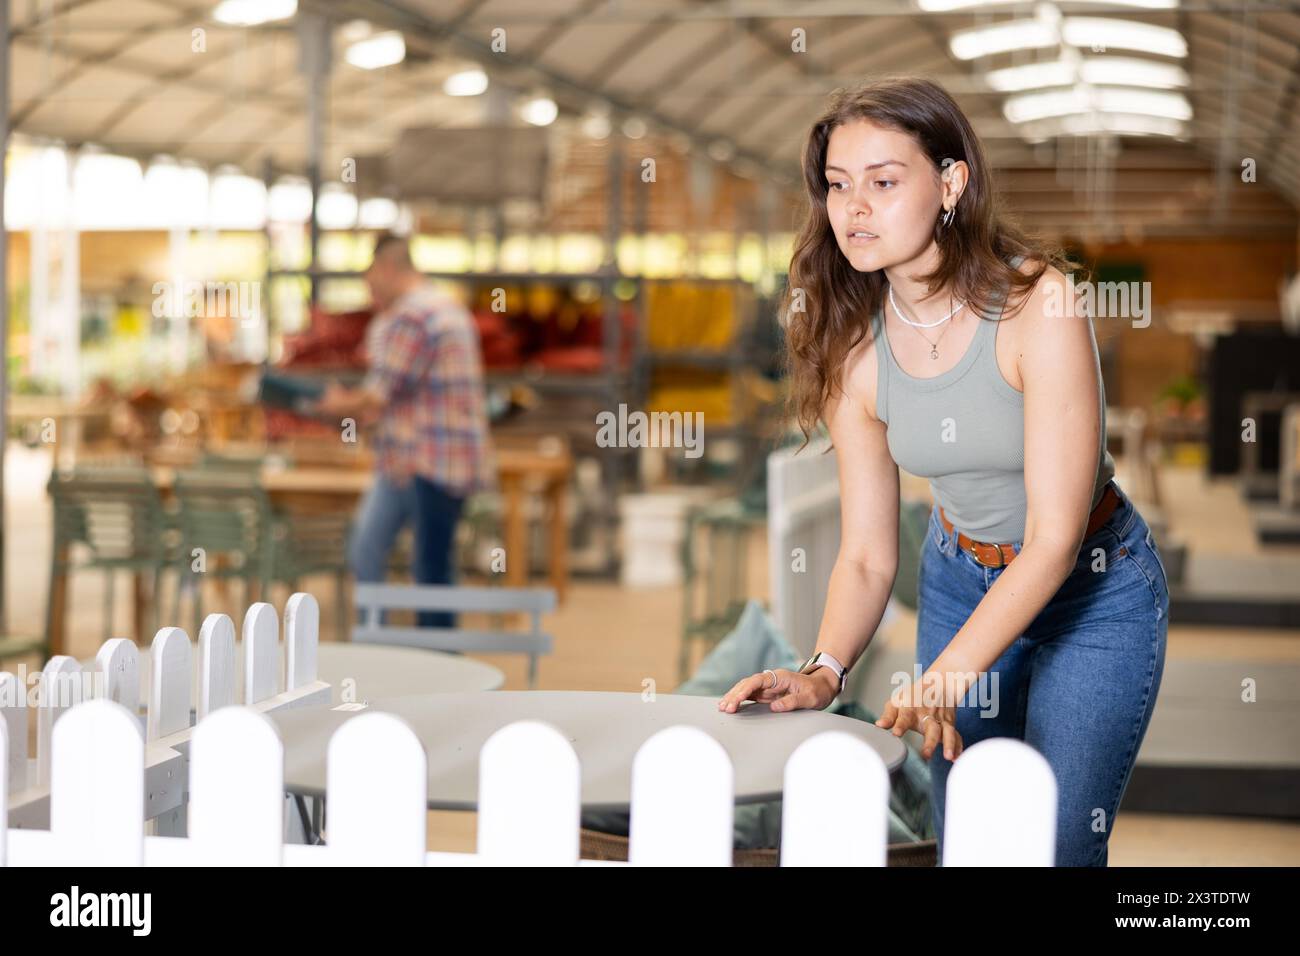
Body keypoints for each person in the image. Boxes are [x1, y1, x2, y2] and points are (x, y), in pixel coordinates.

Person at [716, 77, 1169, 867]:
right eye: (837, 185)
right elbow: (865, 553)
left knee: (1059, 847)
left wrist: (948, 675)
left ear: (951, 182)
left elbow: (1055, 540)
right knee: (970, 842)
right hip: (963, 580)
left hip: (1095, 590)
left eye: (884, 182)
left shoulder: (1039, 308)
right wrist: (823, 671)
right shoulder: (855, 346)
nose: (854, 207)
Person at [316, 233, 494, 628]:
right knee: (376, 551)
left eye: (371, 278)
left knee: (429, 569)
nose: (369, 289)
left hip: (430, 463)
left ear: (388, 268)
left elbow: (377, 395)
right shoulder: (445, 307)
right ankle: (378, 644)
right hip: (414, 462)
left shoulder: (414, 316)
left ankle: (440, 666)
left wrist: (329, 405)